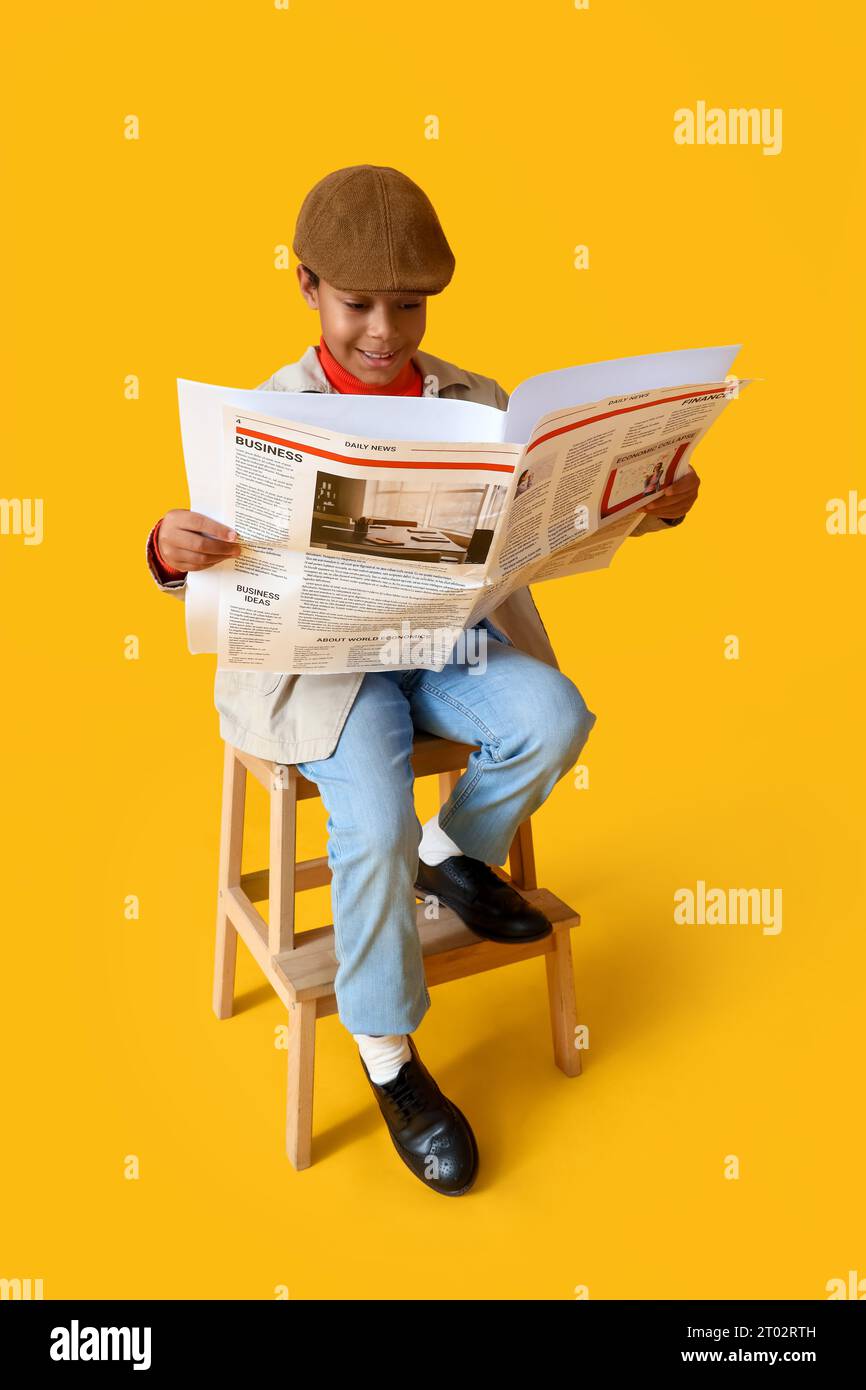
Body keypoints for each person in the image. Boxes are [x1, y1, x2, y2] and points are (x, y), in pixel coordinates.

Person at [146, 165, 698, 1196]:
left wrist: (645, 502)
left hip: (444, 644)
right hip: (323, 672)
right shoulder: (262, 411)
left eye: (408, 305)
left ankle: (453, 850)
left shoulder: (477, 401)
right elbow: (211, 565)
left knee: (552, 712)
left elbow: (547, 532)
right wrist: (170, 550)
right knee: (368, 816)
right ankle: (391, 1059)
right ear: (306, 284)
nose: (383, 330)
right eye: (357, 303)